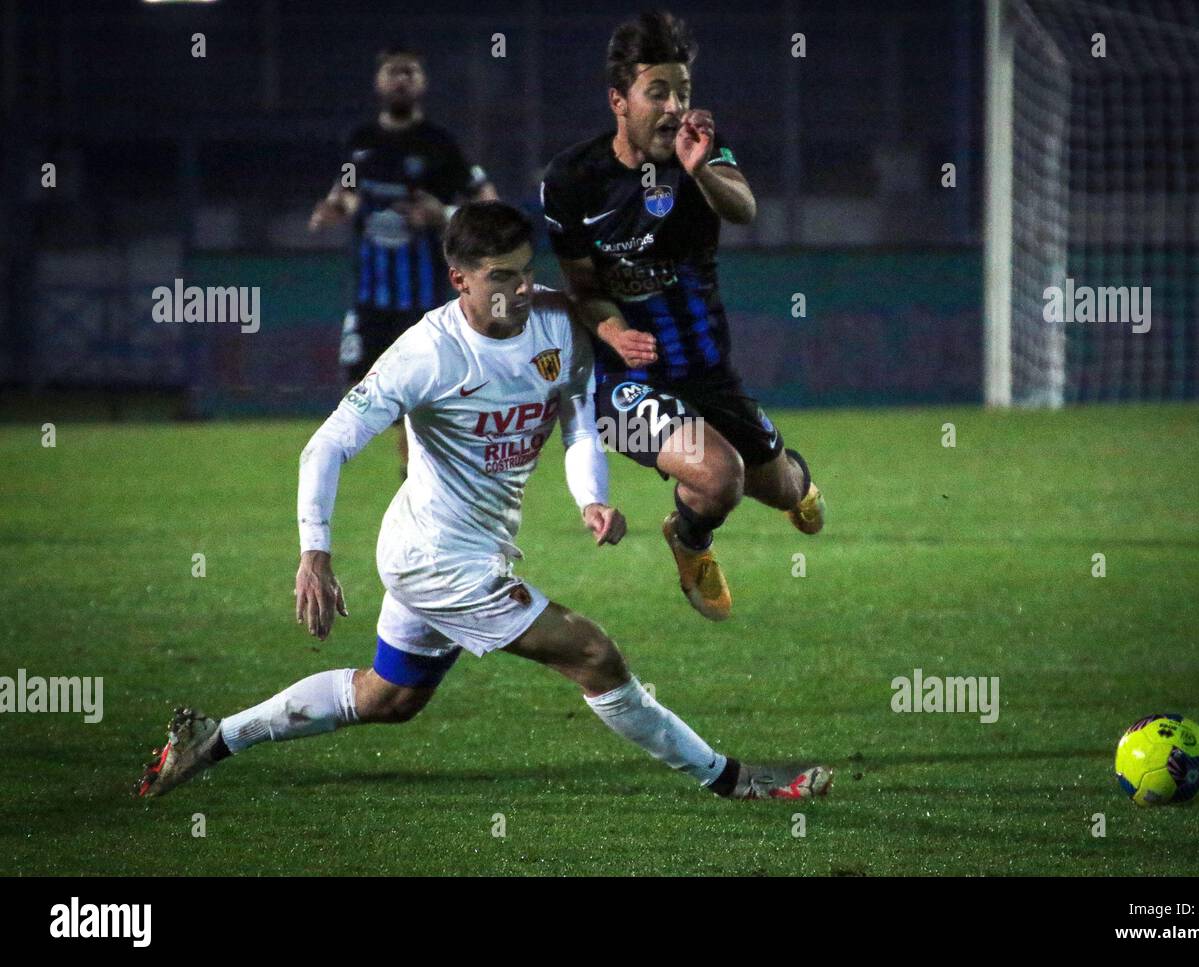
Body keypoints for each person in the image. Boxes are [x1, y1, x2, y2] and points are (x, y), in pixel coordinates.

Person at [136, 202, 832, 803]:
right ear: (459, 279)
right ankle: (733, 778)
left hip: (458, 544)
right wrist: (314, 552)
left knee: (390, 697)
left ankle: (212, 739)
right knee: (593, 653)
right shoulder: (423, 355)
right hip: (436, 560)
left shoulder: (557, 324)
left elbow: (578, 421)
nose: (521, 288)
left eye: (527, 270)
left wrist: (592, 498)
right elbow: (325, 446)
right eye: (502, 277)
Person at [541, 11, 825, 623]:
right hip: (622, 383)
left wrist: (701, 171)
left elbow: (745, 209)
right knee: (718, 477)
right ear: (620, 100)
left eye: (683, 92)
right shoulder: (572, 179)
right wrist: (614, 330)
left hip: (705, 369)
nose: (674, 106)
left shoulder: (701, 150)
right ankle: (690, 539)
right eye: (658, 92)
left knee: (783, 489)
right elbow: (583, 288)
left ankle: (793, 480)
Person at [310, 46, 496, 477]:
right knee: (359, 385)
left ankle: (418, 466)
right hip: (369, 294)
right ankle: (416, 449)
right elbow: (346, 190)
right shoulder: (361, 142)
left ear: (422, 82)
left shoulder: (439, 145)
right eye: (394, 72)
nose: (401, 80)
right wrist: (333, 207)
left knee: (422, 387)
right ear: (379, 82)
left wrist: (443, 215)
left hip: (423, 297)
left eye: (410, 72)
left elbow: (488, 202)